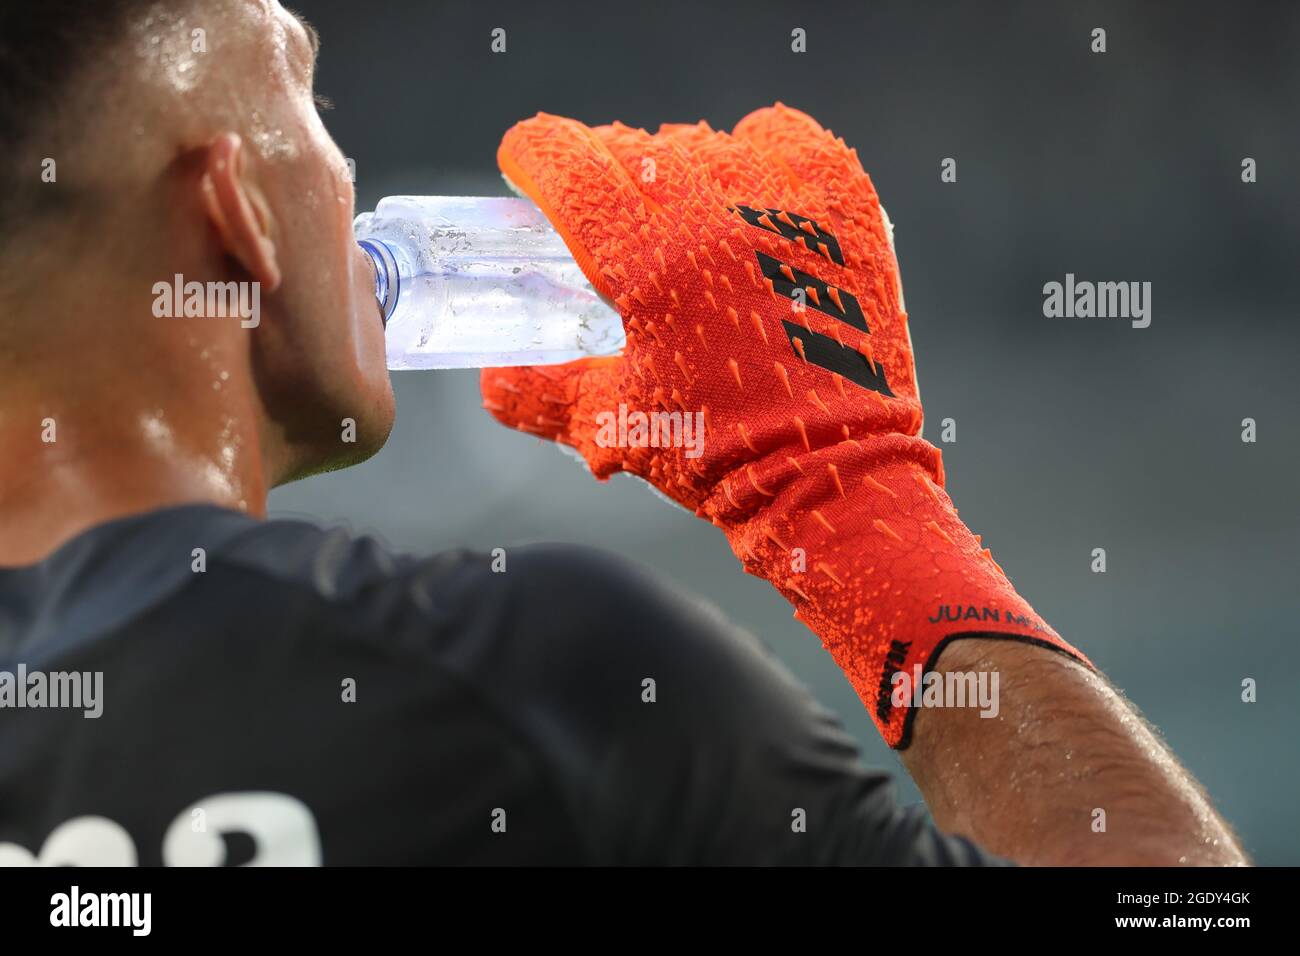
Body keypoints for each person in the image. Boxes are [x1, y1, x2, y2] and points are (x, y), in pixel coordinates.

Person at [0, 0, 1246, 866]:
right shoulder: (516, 679)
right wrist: (846, 496)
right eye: (309, 97)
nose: (346, 168)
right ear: (238, 218)